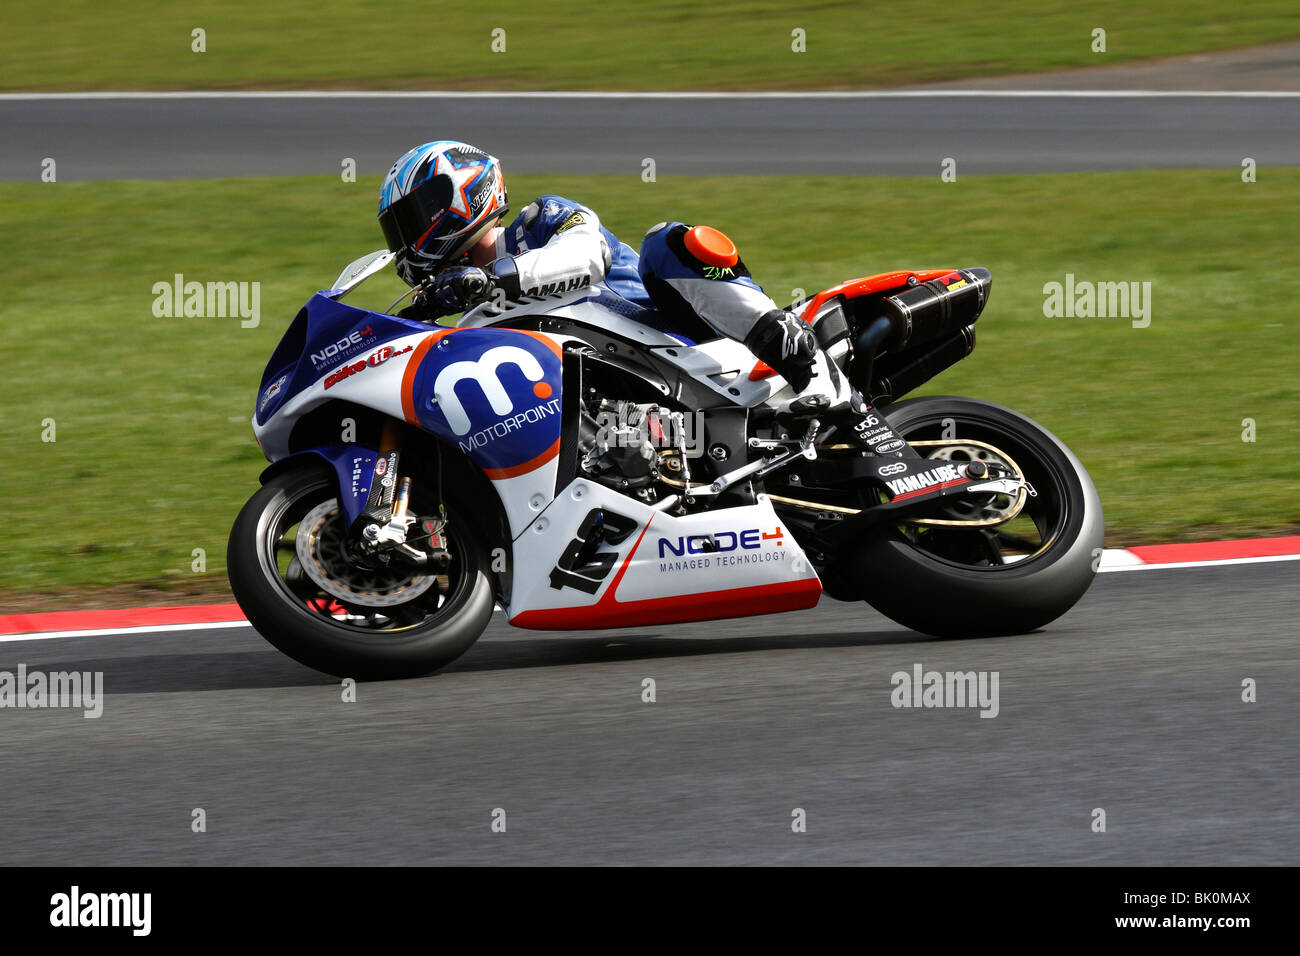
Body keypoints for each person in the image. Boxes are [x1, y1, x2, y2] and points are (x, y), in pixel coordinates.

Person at [376, 139, 855, 418]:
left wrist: (495, 277)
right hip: (629, 404)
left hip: (683, 339)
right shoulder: (473, 316)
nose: (408, 236)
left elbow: (589, 254)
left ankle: (808, 364)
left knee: (667, 241)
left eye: (415, 215)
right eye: (397, 229)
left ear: (461, 192)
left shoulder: (539, 220)